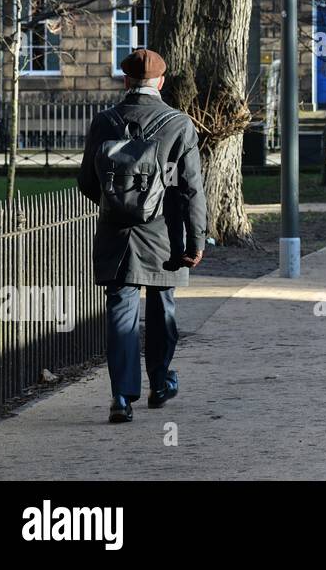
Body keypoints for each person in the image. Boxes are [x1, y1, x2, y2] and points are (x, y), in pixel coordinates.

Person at [78, 48, 207, 423]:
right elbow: (191, 188)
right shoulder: (178, 124)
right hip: (164, 234)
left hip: (116, 234)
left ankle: (121, 397)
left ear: (126, 81)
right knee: (162, 308)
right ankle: (161, 383)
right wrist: (196, 239)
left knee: (121, 315)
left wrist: (118, 203)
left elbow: (87, 180)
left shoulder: (105, 121)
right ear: (161, 83)